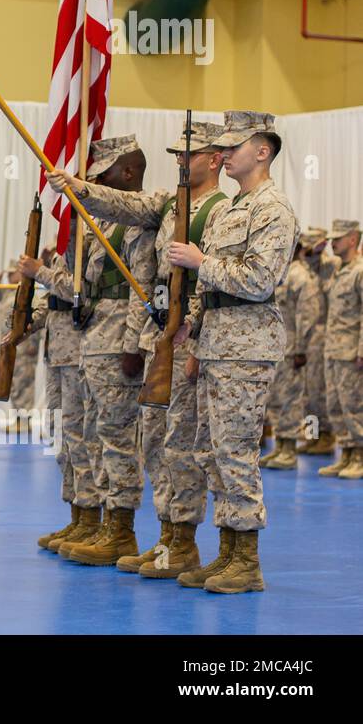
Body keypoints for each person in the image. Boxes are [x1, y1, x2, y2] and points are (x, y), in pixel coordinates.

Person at [47, 122, 228, 579]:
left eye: (191, 154)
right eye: (178, 155)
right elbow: (123, 202)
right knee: (156, 441)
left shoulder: (223, 211)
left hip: (191, 337)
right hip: (158, 336)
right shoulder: (168, 203)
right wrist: (77, 187)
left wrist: (183, 333)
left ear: (216, 159)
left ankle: (181, 541)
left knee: (185, 443)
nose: (181, 162)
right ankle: (166, 539)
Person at [167, 111, 298, 594]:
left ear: (262, 150)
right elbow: (208, 284)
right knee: (211, 449)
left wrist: (203, 262)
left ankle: (247, 560)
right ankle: (226, 553)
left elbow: (260, 280)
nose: (223, 154)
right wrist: (191, 326)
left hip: (247, 345)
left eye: (234, 146)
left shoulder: (273, 209)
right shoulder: (229, 209)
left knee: (237, 451)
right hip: (216, 340)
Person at [39, 135, 157, 567]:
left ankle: (120, 530)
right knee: (92, 434)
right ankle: (97, 521)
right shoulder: (104, 224)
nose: (94, 183)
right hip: (93, 340)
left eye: (102, 175)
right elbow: (83, 287)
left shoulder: (139, 223)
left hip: (117, 343)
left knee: (118, 437)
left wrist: (132, 347)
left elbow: (139, 290)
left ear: (126, 173)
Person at [22, 241, 101, 552]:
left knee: (80, 438)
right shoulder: (62, 247)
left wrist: (39, 271)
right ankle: (77, 516)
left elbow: (80, 291)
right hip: (56, 352)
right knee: (61, 439)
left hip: (77, 352)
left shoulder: (87, 242)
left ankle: (91, 516)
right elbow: (54, 299)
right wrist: (26, 323)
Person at [261, 236, 320, 470]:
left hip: (293, 347)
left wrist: (301, 349)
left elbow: (308, 315)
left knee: (292, 398)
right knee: (277, 397)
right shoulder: (281, 272)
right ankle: (280, 446)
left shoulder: (300, 275)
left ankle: (289, 449)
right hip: (276, 347)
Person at [318, 219, 363, 480]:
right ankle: (345, 452)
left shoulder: (359, 270)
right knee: (335, 404)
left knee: (353, 405)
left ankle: (359, 454)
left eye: (338, 239)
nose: (333, 243)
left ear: (353, 239)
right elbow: (312, 260)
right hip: (332, 348)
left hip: (351, 352)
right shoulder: (337, 268)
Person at [0, 261, 40, 431]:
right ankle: (18, 418)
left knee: (23, 382)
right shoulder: (8, 292)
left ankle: (24, 421)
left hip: (24, 347)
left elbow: (36, 319)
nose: (9, 277)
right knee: (13, 382)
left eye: (13, 273)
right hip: (9, 346)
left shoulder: (28, 293)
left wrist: (34, 344)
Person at [298, 230, 335, 455]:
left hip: (322, 337)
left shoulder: (330, 265)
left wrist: (319, 250)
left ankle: (327, 437)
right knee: (308, 393)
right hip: (306, 339)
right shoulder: (306, 269)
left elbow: (321, 259)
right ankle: (312, 436)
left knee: (320, 392)